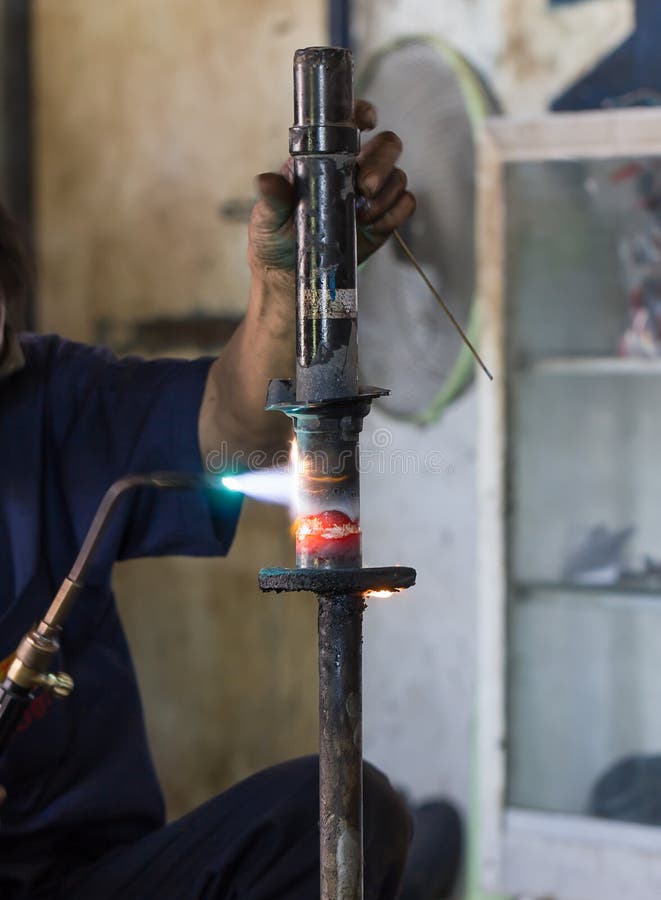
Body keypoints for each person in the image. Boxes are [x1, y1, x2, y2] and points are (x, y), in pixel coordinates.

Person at [0, 102, 419, 899]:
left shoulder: (49, 400)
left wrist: (284, 291)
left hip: (90, 880)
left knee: (337, 813)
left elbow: (233, 435)